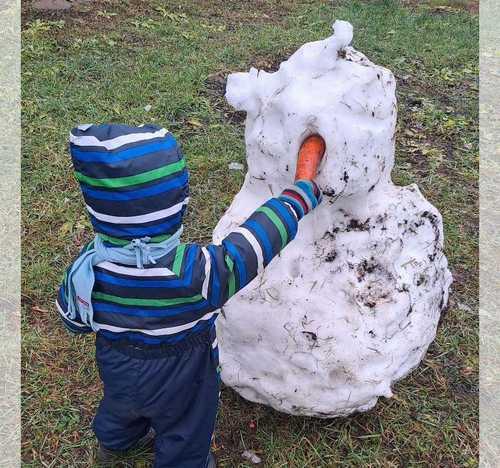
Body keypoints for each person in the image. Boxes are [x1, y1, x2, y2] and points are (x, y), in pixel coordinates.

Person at [57, 123, 324, 468]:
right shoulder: (197, 273)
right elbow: (252, 245)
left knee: (121, 405)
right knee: (186, 425)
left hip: (118, 363)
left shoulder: (89, 267)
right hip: (183, 374)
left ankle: (116, 441)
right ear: (174, 206)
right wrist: (295, 200)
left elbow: (72, 317)